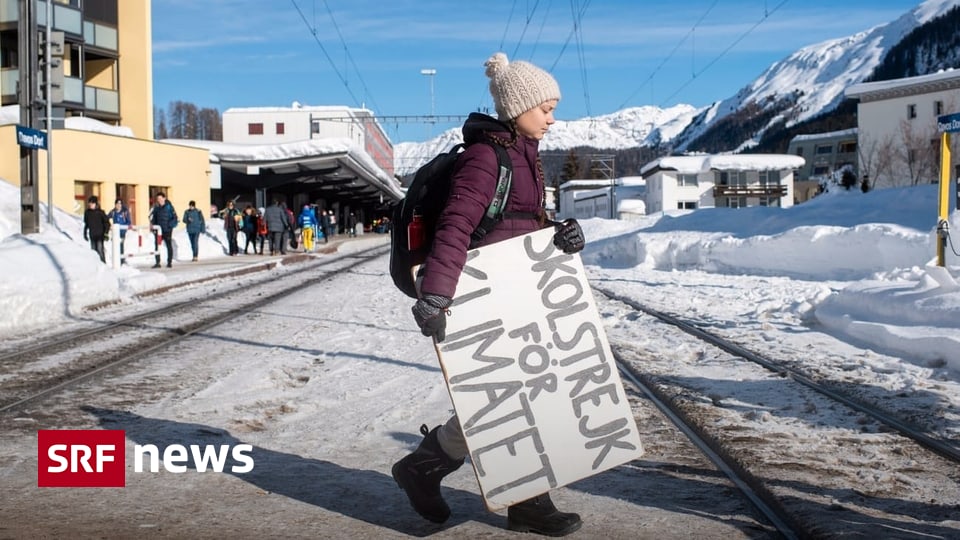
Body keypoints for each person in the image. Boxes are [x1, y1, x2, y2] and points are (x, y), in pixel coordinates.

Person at [391, 52, 586, 537]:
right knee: (509, 398)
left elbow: (520, 222)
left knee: (517, 395)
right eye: (546, 107)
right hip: (484, 296)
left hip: (520, 290)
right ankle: (518, 497)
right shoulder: (486, 157)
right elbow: (458, 225)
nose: (552, 117)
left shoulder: (525, 155)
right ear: (518, 106)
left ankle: (430, 468)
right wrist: (435, 294)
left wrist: (559, 234)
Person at [150, 192, 178, 268]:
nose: (159, 200)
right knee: (157, 246)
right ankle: (157, 262)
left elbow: (175, 218)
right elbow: (154, 218)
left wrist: (170, 226)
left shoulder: (169, 207)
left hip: (167, 230)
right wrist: (153, 226)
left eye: (160, 199)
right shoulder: (156, 208)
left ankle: (169, 262)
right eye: (158, 199)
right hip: (159, 231)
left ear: (164, 198)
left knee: (169, 245)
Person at [83, 195, 111, 263]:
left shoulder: (100, 212)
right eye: (89, 203)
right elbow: (86, 224)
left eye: (92, 203)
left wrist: (106, 233)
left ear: (96, 204)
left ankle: (103, 264)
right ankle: (95, 266)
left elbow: (107, 223)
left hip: (100, 235)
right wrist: (85, 233)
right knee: (93, 252)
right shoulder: (87, 213)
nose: (90, 205)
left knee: (100, 250)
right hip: (92, 235)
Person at [106, 198, 132, 264]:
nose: (118, 205)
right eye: (117, 204)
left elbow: (128, 221)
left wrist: (125, 227)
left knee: (121, 245)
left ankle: (121, 260)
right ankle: (116, 259)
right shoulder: (113, 212)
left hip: (122, 232)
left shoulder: (125, 212)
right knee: (115, 246)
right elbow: (106, 218)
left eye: (120, 204)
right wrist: (109, 225)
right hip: (115, 232)